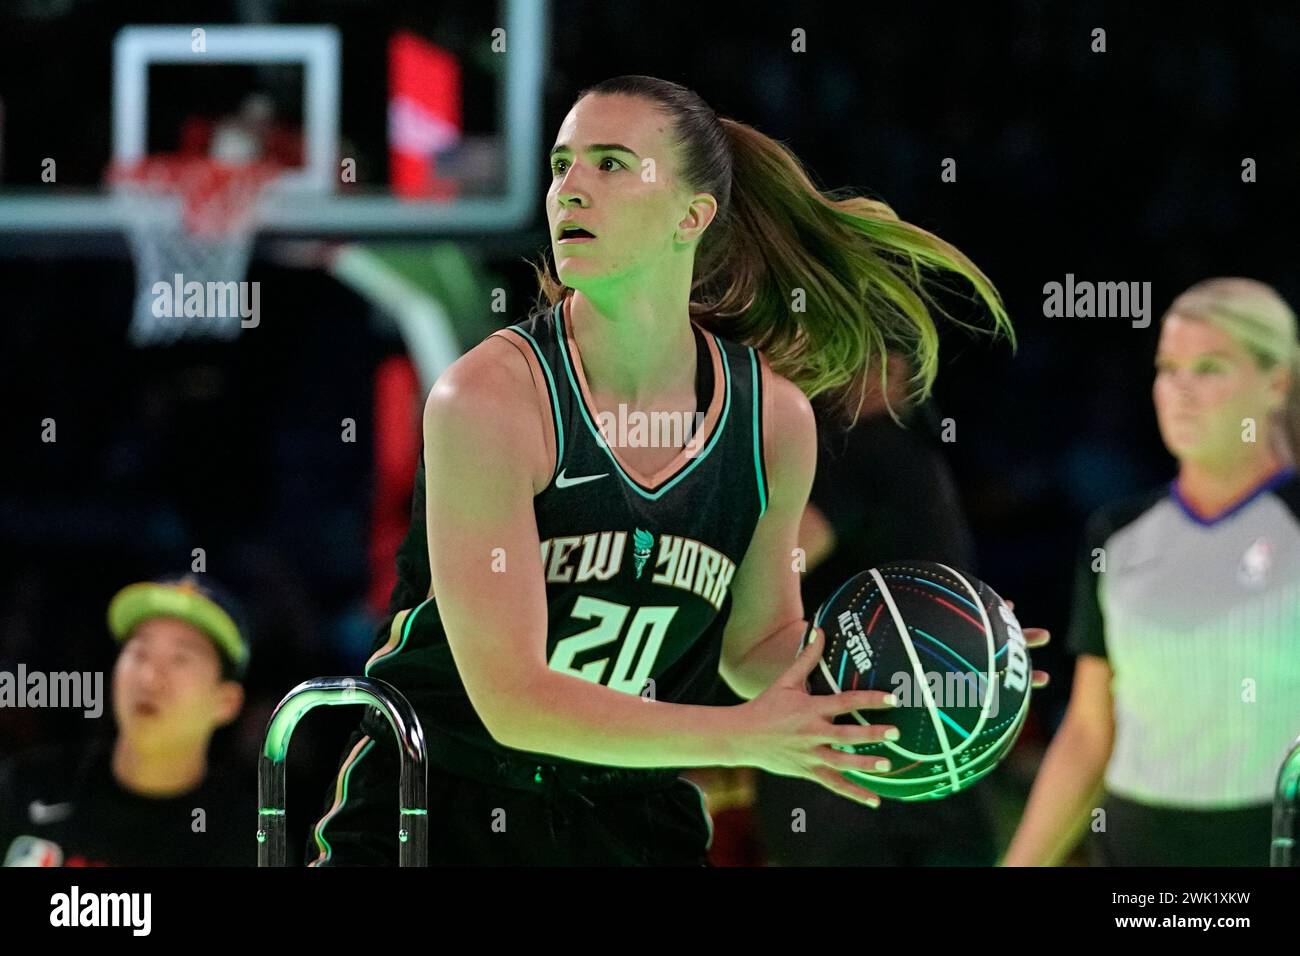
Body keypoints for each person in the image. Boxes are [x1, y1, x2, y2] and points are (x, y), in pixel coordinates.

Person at [309, 74, 1044, 866]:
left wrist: (931, 656)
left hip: (632, 816)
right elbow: (512, 702)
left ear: (692, 216)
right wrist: (745, 737)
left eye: (612, 164)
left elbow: (759, 641)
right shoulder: (488, 399)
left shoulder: (772, 420)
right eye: (562, 165)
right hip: (440, 812)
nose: (570, 191)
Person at [1003, 277, 1300, 866]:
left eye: (1210, 368)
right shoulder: (1116, 536)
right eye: (1169, 367)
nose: (1180, 390)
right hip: (1135, 847)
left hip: (1269, 842)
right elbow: (1090, 731)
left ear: (1276, 383)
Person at [749, 356, 1000, 865]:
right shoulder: (922, 460)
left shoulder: (865, 448)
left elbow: (763, 572)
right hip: (937, 774)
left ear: (891, 367)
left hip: (853, 782)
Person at [0, 574, 253, 866]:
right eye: (139, 652)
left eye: (180, 659)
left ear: (226, 702)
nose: (149, 677)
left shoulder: (245, 840)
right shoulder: (26, 785)